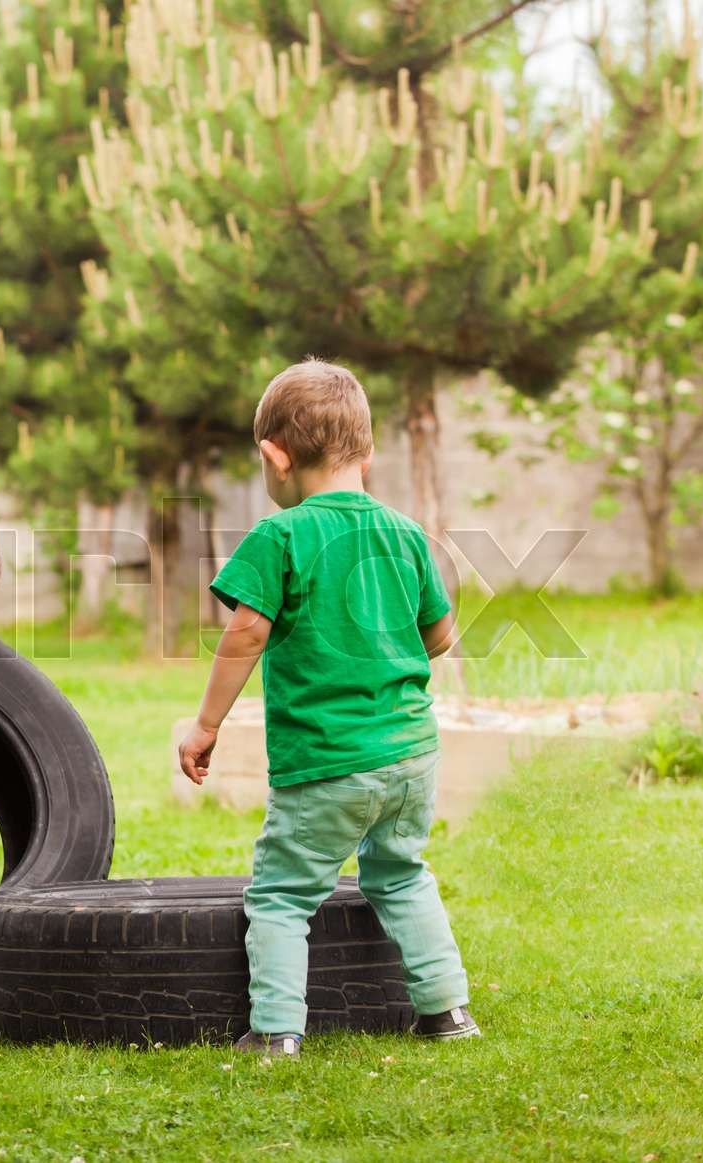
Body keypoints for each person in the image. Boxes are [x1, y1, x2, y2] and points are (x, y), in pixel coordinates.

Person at [177, 359, 476, 1060]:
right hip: (410, 754)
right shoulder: (406, 534)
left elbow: (245, 632)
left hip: (326, 760)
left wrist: (207, 724)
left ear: (273, 457)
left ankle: (277, 1028)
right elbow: (440, 634)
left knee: (282, 893)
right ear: (367, 455)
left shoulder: (280, 537)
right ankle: (446, 1010)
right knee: (401, 873)